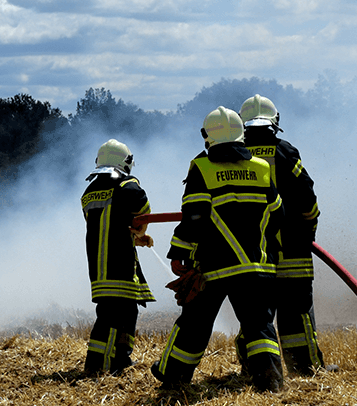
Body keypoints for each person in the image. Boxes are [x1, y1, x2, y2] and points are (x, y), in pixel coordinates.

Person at [151, 107, 285, 392]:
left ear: (207, 137)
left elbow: (195, 217)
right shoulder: (261, 168)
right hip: (256, 265)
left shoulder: (202, 167)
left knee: (195, 324)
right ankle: (270, 383)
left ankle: (173, 377)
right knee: (260, 326)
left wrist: (179, 253)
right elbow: (277, 215)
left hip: (214, 266)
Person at [237, 94, 333, 375]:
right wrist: (309, 228)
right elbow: (307, 199)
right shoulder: (285, 152)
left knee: (256, 316)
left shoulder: (231, 156)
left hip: (251, 256)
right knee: (297, 312)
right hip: (292, 251)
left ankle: (254, 368)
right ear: (274, 122)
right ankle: (305, 368)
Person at [81, 139, 155, 376]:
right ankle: (97, 365)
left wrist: (135, 237)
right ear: (126, 163)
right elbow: (144, 212)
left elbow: (107, 226)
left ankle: (120, 359)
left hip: (99, 268)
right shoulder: (128, 187)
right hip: (120, 265)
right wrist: (140, 232)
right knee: (113, 317)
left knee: (121, 312)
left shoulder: (89, 192)